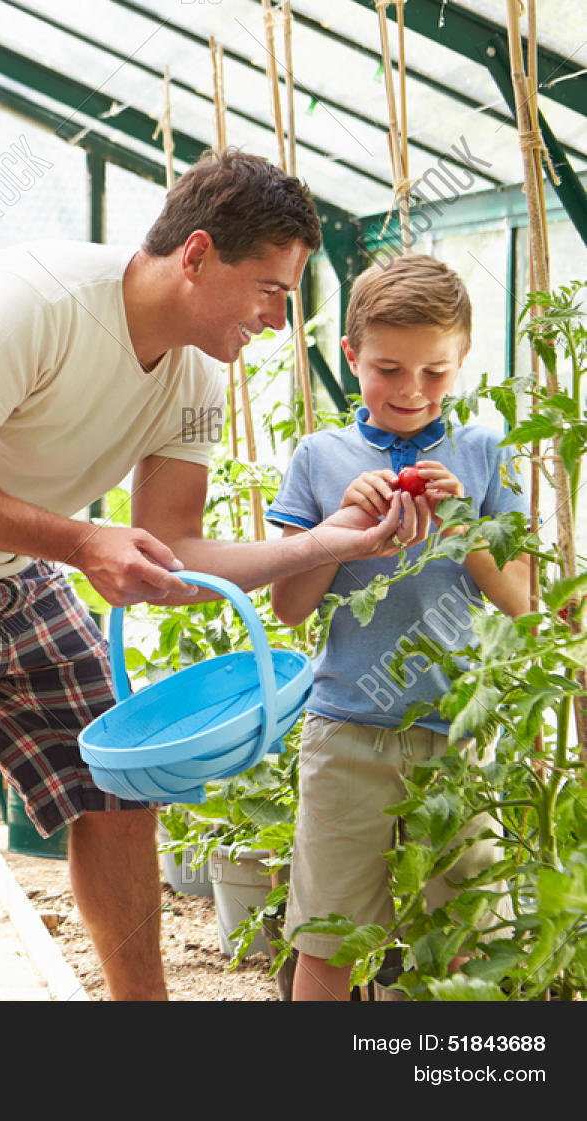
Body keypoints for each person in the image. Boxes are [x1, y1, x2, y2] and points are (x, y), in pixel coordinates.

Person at [0, 148, 424, 1001]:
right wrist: (86, 543)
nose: (279, 321)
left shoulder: (197, 374)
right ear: (197, 255)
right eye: (272, 291)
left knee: (122, 785)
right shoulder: (39, 304)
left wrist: (329, 543)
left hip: (18, 561)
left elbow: (176, 546)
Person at [266, 254, 529, 1001]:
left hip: (460, 735)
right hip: (346, 730)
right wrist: (341, 526)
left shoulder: (483, 454)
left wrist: (463, 527)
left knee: (470, 941)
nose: (412, 390)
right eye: (387, 368)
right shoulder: (319, 458)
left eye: (435, 373)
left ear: (462, 361)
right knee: (327, 938)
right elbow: (288, 604)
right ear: (350, 357)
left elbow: (521, 601)